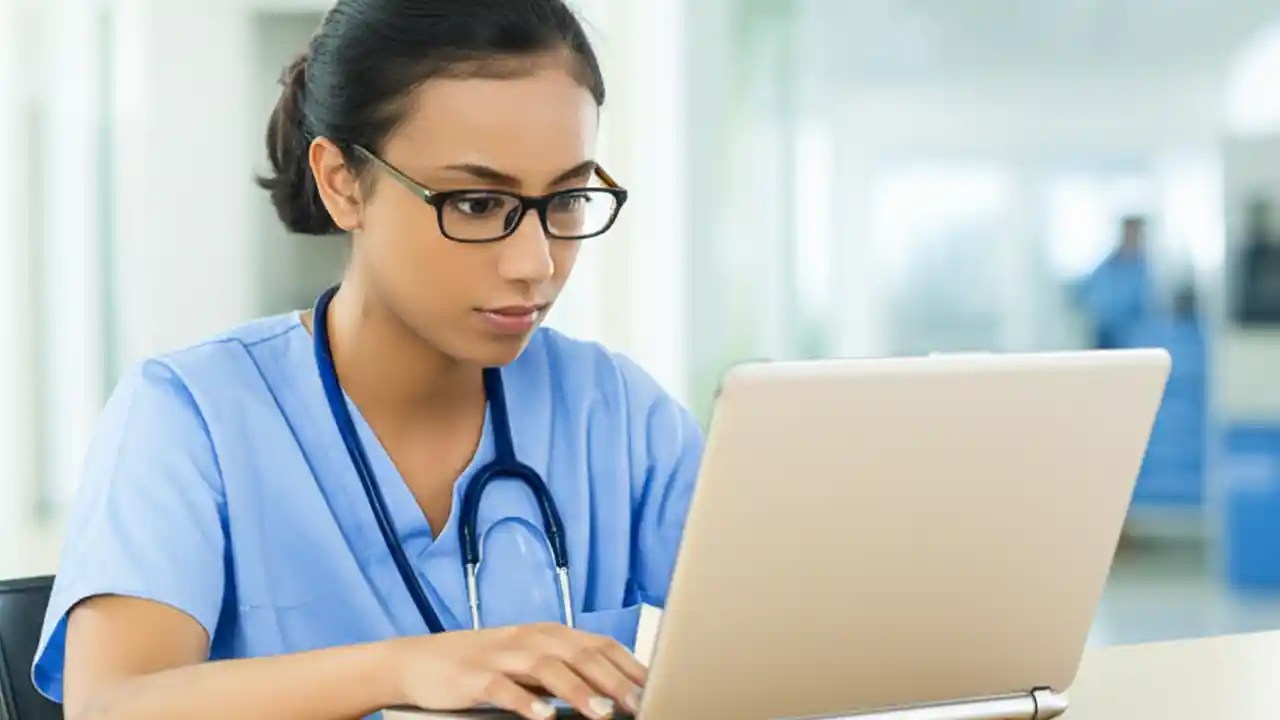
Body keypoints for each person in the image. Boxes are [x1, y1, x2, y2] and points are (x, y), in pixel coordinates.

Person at [31, 2, 703, 719]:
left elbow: (775, 664)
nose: (534, 264)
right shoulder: (191, 415)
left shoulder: (621, 416)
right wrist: (405, 668)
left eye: (566, 198)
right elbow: (112, 705)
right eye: (477, 203)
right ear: (343, 182)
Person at [1076, 215, 1152, 349]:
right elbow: (1098, 306)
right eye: (1133, 233)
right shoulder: (1107, 269)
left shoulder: (1143, 269)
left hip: (1137, 343)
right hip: (1107, 340)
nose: (1137, 239)